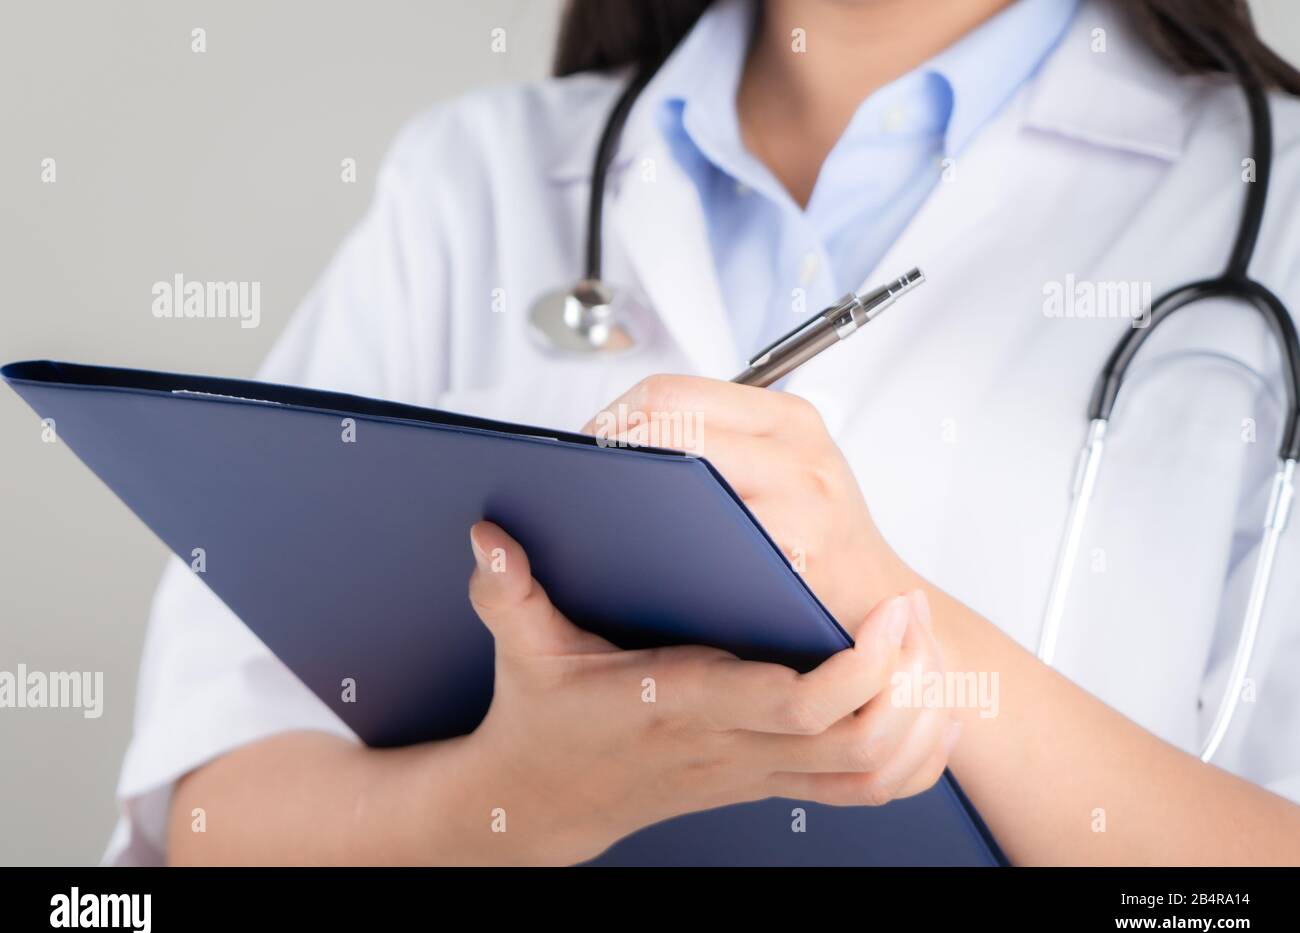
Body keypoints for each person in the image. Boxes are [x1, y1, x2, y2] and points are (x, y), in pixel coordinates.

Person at [107, 0, 1300, 865]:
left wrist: (898, 625)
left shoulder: (1275, 200)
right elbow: (211, 813)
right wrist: (513, 799)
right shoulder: (473, 180)